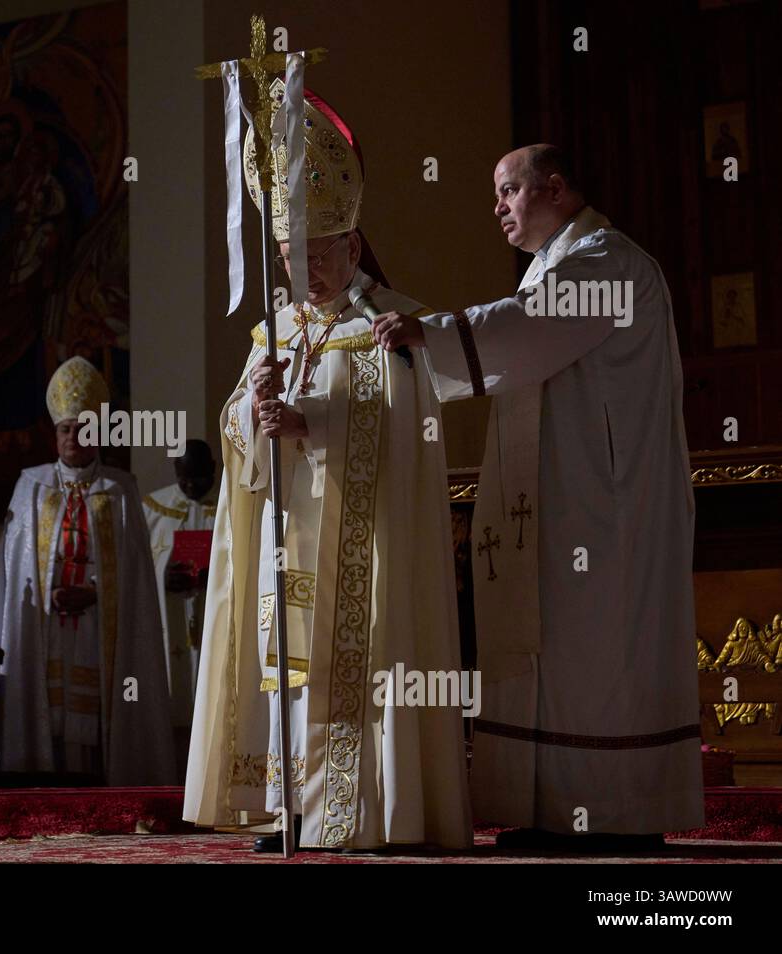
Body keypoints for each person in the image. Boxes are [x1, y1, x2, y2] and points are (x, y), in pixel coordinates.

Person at [372, 144, 702, 849]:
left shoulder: (609, 261)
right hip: (563, 503)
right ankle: (554, 811)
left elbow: (524, 328)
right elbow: (524, 326)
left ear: (555, 188)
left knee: (592, 650)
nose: (496, 207)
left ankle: (612, 821)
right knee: (549, 648)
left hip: (605, 509)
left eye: (508, 190)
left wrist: (426, 334)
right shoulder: (556, 266)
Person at [185, 82, 471, 852]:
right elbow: (236, 431)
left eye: (316, 252)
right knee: (287, 671)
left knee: (358, 665)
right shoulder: (270, 336)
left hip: (365, 545)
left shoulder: (391, 326)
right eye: (288, 255)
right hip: (286, 537)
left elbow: (406, 431)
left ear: (351, 244)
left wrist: (314, 424)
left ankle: (365, 810)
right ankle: (293, 810)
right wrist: (256, 415)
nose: (302, 269)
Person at [0, 356, 175, 784]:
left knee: (99, 709)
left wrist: (97, 592)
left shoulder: (120, 488)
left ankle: (102, 786)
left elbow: (135, 579)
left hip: (99, 627)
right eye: (65, 429)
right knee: (47, 706)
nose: (74, 437)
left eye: (83, 429)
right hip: (45, 628)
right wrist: (49, 590)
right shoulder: (29, 486)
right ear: (54, 435)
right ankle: (44, 784)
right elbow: (15, 573)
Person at [142, 439, 217, 770]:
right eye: (184, 478)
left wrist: (215, 578)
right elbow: (137, 567)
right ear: (176, 471)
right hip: (168, 620)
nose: (190, 486)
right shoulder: (152, 508)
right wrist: (162, 576)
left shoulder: (236, 504)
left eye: (199, 479)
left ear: (214, 472)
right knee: (175, 694)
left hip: (214, 618)